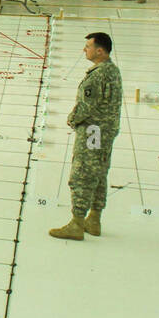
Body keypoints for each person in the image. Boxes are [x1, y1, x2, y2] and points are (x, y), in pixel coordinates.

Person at [51, 32, 122, 241]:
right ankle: (94, 219)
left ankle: (77, 222)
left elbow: (86, 106)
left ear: (100, 51)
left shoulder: (98, 75)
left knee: (83, 173)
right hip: (106, 130)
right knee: (99, 172)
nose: (85, 49)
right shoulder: (112, 70)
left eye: (88, 46)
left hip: (93, 130)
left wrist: (72, 119)